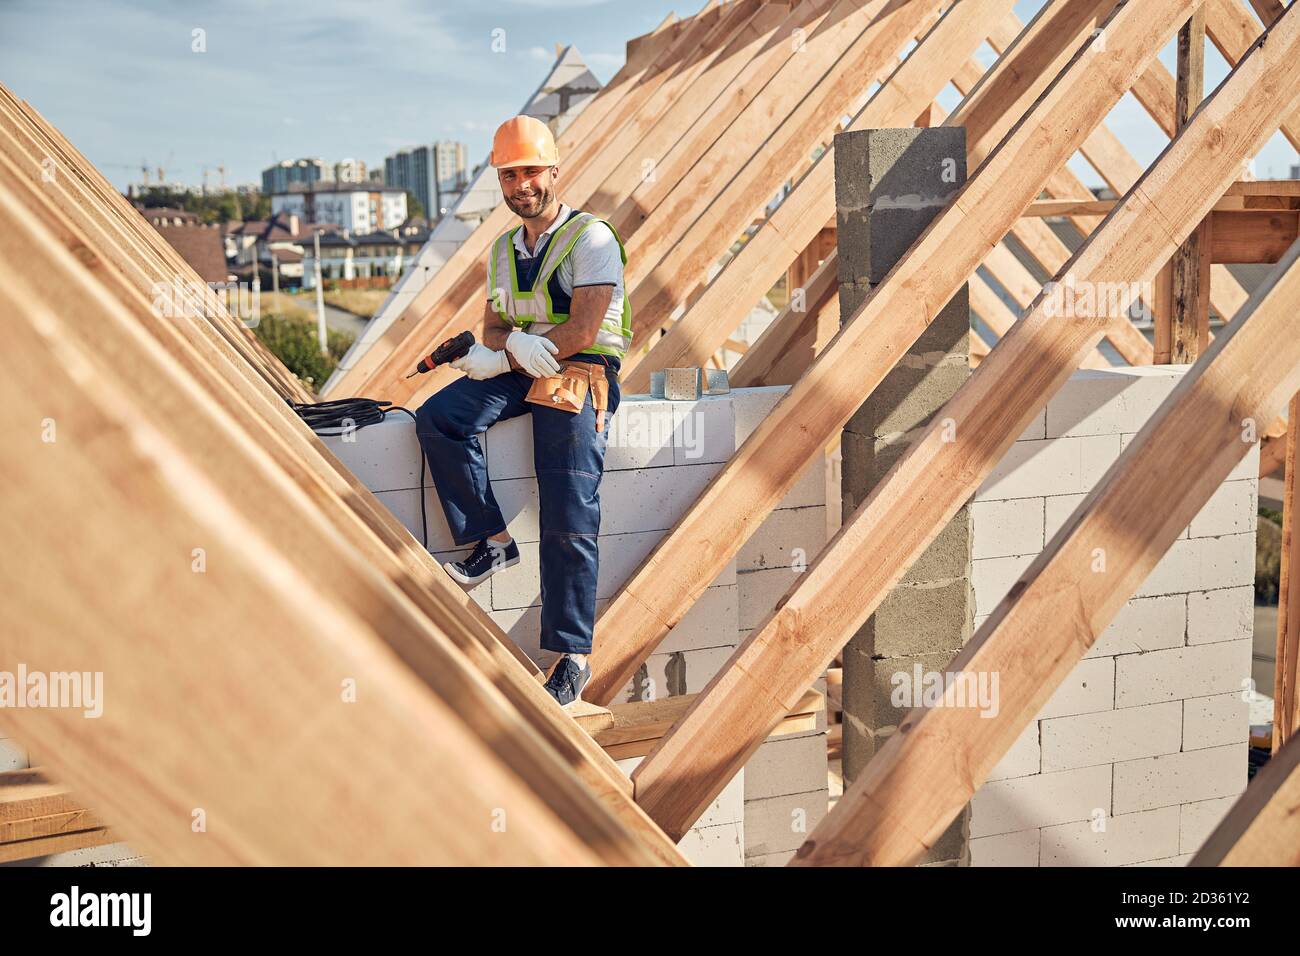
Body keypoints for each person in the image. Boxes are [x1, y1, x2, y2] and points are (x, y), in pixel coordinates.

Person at [415, 115, 632, 707]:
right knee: (440, 418)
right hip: (521, 364)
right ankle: (490, 541)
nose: (521, 185)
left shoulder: (591, 238)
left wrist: (527, 348)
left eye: (531, 171)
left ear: (554, 172)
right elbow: (494, 324)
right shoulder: (505, 248)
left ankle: (571, 656)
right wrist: (506, 350)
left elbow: (586, 325)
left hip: (581, 370)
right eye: (510, 176)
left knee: (567, 503)